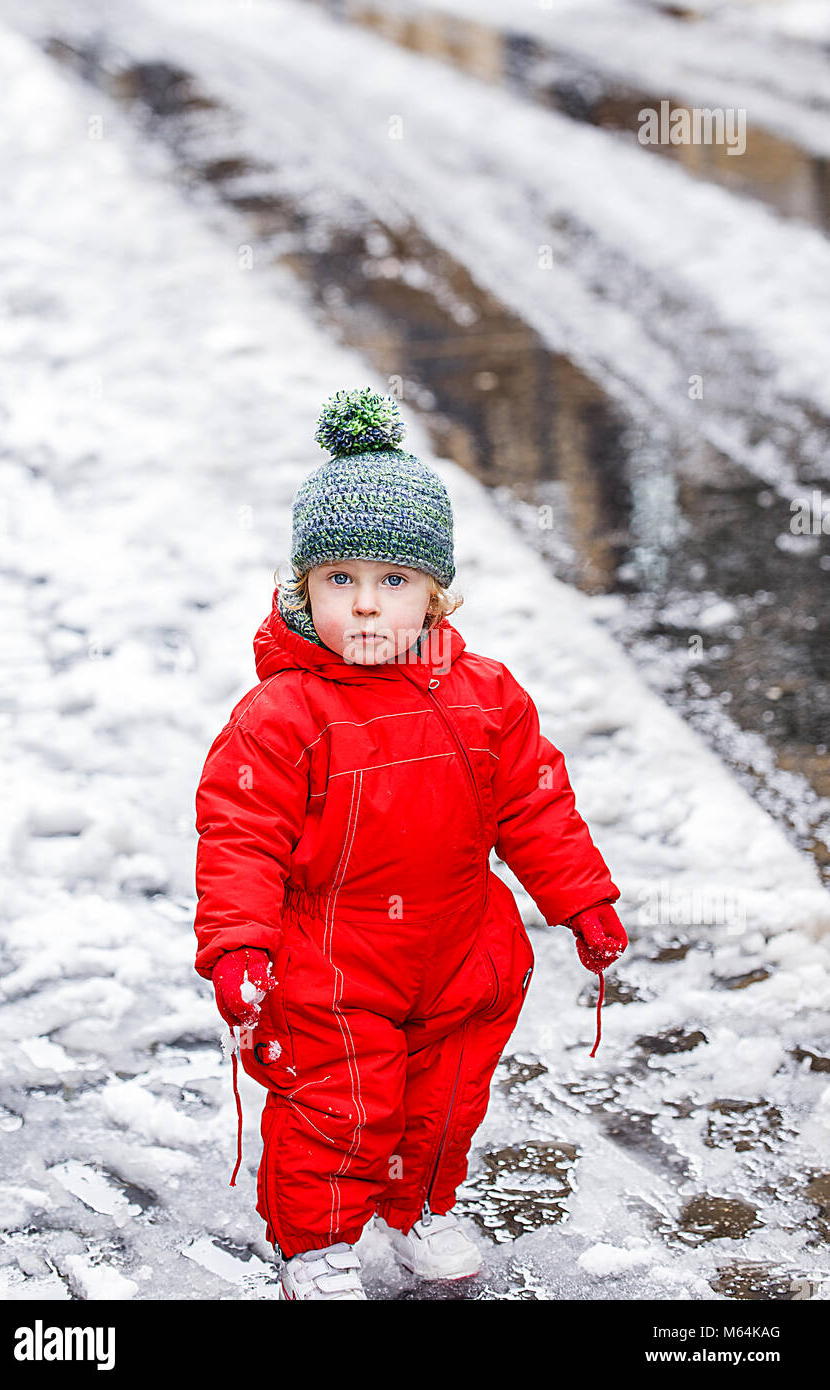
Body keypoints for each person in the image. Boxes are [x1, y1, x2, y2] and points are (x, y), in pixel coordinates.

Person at [192, 386, 628, 1300]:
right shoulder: (284, 715)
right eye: (339, 579)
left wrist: (582, 899)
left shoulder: (489, 695)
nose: (364, 605)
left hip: (463, 950)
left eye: (392, 581)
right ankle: (314, 1244)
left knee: (443, 1104)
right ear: (302, 590)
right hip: (333, 961)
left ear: (435, 591)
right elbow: (240, 839)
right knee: (338, 1108)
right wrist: (239, 945)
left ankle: (419, 1209)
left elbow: (537, 803)